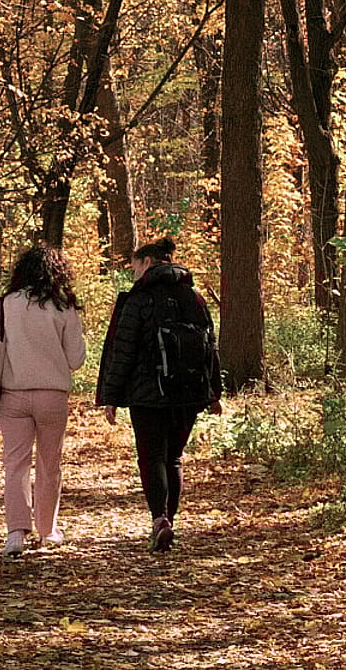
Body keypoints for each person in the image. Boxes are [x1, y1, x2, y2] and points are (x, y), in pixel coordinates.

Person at [96, 236, 222, 552]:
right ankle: (170, 520)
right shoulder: (194, 297)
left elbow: (123, 350)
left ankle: (159, 519)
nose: (133, 273)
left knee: (151, 457)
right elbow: (210, 347)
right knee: (174, 458)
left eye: (135, 266)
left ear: (148, 262)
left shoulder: (139, 300)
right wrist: (214, 392)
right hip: (189, 393)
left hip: (147, 394)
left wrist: (111, 395)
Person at [0, 246, 86, 557]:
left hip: (12, 394)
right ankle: (47, 530)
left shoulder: (5, 304)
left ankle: (15, 533)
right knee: (50, 464)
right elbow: (76, 359)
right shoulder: (64, 305)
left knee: (15, 464)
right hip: (52, 395)